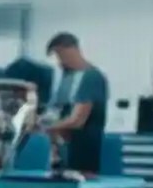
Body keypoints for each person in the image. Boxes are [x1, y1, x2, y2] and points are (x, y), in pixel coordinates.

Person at [44, 32, 109, 174]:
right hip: (63, 151)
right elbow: (55, 110)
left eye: (60, 55)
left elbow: (77, 120)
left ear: (71, 50)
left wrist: (46, 128)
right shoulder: (66, 78)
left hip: (84, 152)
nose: (59, 62)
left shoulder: (91, 77)